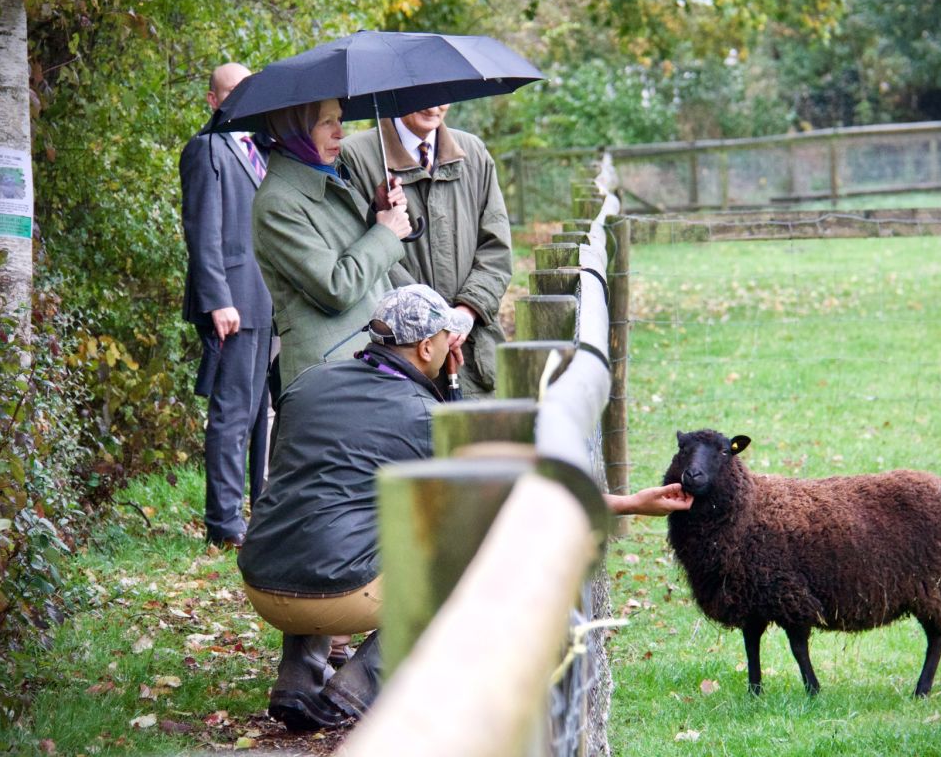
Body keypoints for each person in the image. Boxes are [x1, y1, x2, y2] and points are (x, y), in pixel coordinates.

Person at [238, 284, 694, 732]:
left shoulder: (308, 383)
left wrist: (447, 382)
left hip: (261, 581)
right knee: (471, 552)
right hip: (337, 595)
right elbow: (506, 484)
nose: (454, 344)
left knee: (318, 517)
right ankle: (355, 689)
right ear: (425, 346)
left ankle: (297, 678)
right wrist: (629, 503)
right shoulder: (420, 414)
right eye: (447, 337)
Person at [341, 104, 512, 399]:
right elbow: (361, 256)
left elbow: (497, 250)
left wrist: (467, 310)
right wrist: (431, 322)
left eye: (441, 95)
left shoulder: (473, 152)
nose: (434, 106)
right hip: (401, 363)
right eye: (422, 96)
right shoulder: (355, 156)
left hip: (472, 355)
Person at [252, 97, 412, 390]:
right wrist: (386, 233)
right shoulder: (277, 202)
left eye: (339, 119)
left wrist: (377, 211)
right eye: (326, 122)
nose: (340, 132)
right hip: (331, 376)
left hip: (366, 361)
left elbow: (343, 245)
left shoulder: (326, 176)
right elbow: (335, 288)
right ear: (294, 128)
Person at [180, 62, 274, 549]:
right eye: (232, 91)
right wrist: (218, 301)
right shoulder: (206, 149)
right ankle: (223, 525)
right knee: (232, 413)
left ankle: (258, 511)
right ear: (214, 100)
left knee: (261, 413)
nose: (242, 97)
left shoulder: (262, 147)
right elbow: (202, 232)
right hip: (232, 302)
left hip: (268, 298)